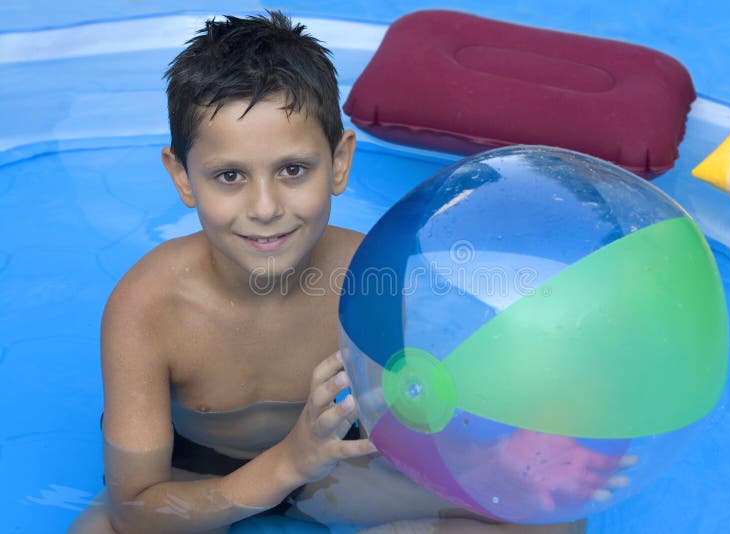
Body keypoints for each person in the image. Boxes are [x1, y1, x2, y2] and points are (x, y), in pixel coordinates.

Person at [68, 11, 625, 533]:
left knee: (547, 513)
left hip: (333, 469)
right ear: (183, 177)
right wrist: (285, 463)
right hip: (197, 474)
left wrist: (498, 457)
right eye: (229, 175)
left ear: (339, 163)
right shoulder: (148, 308)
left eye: (292, 169)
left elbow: (409, 418)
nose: (265, 207)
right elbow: (136, 506)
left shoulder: (371, 275)